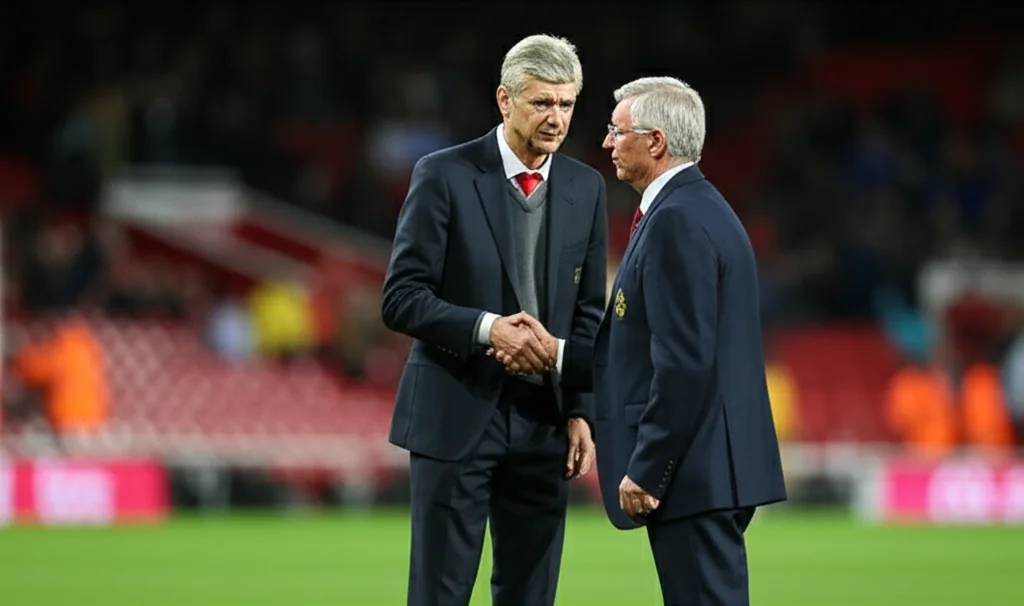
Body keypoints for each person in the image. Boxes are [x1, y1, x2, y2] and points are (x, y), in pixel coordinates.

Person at [381, 34, 608, 606]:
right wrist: (488, 329)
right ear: (504, 100)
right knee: (439, 592)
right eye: (541, 103)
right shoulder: (443, 175)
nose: (556, 117)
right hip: (457, 412)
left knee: (531, 593)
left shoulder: (587, 187)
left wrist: (581, 410)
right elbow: (402, 297)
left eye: (566, 103)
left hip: (544, 422)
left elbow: (588, 315)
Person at [593, 76, 787, 605]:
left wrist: (649, 467)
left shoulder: (676, 220)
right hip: (709, 468)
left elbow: (683, 362)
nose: (608, 142)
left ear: (655, 141)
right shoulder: (698, 208)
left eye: (618, 130)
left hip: (695, 474)